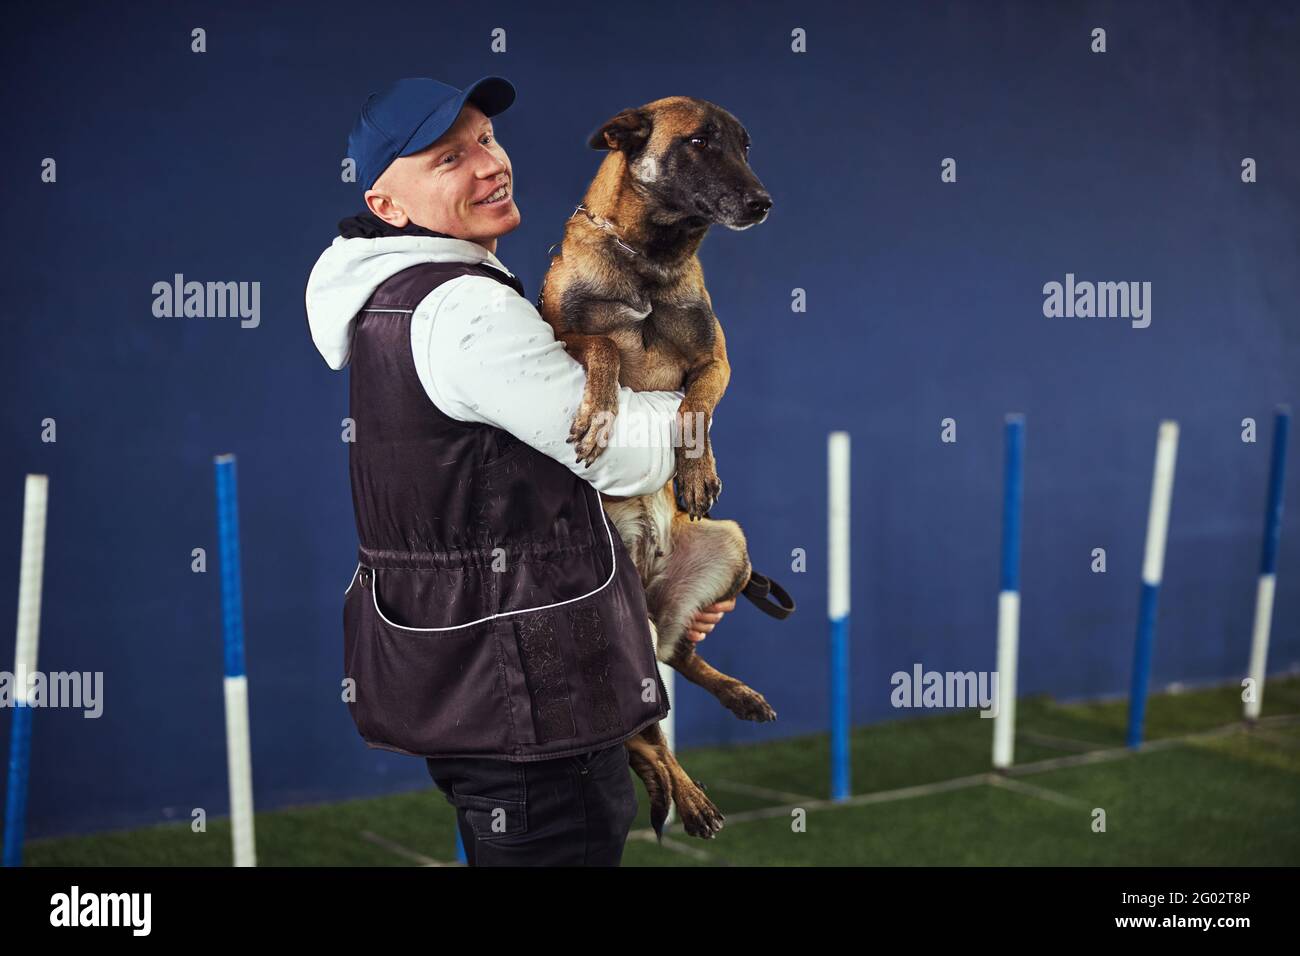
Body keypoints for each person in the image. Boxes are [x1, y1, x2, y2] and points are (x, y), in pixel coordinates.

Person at [305, 75, 733, 866]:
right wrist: (688, 412)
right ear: (388, 205)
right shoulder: (464, 310)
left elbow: (512, 508)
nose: (489, 164)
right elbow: (616, 452)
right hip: (533, 699)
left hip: (478, 686)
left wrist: (648, 602)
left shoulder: (391, 299)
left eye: (486, 140)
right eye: (447, 159)